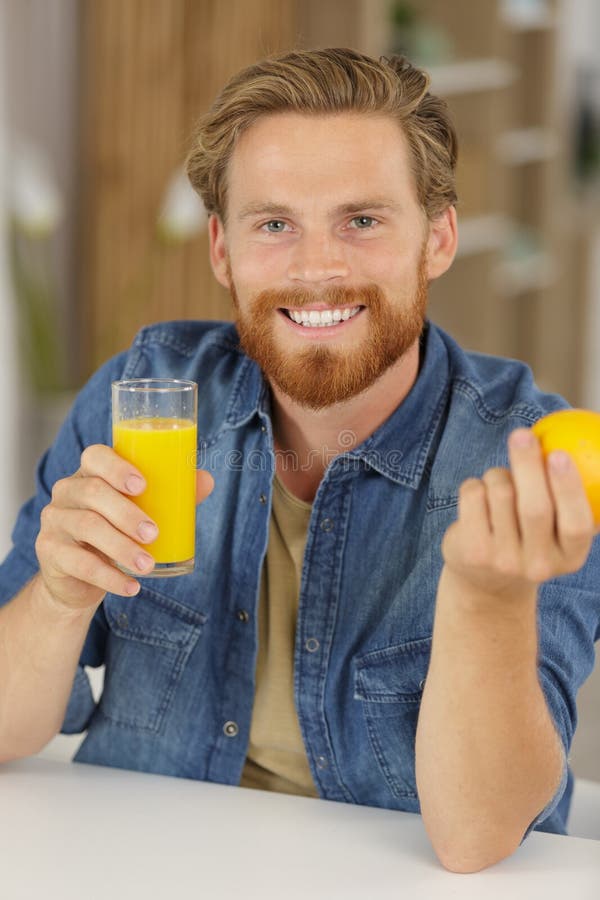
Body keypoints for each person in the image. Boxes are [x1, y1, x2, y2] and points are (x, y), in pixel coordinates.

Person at [0, 48, 598, 874]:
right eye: (274, 224)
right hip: (139, 869)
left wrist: (488, 600)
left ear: (439, 238)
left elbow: (478, 839)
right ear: (221, 250)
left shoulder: (532, 461)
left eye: (363, 220)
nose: (318, 269)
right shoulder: (144, 397)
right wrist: (59, 596)